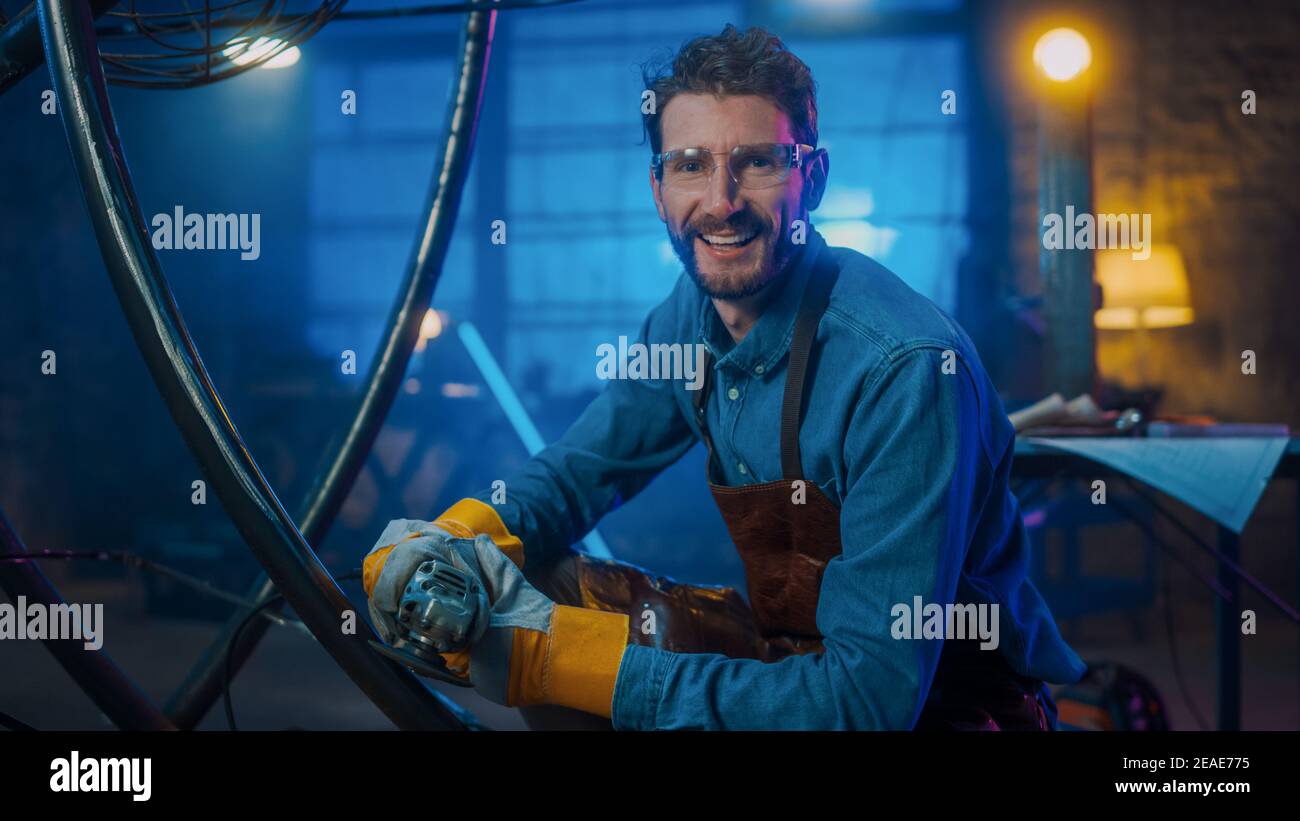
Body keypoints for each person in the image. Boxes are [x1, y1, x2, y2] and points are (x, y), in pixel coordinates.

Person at [363, 24, 1085, 730]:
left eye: (759, 162)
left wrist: (565, 664)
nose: (721, 201)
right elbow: (577, 472)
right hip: (793, 662)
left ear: (815, 178)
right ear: (658, 188)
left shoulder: (902, 370)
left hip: (938, 707)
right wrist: (452, 539)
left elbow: (871, 700)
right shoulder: (695, 312)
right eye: (688, 165)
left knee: (568, 646)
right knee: (544, 583)